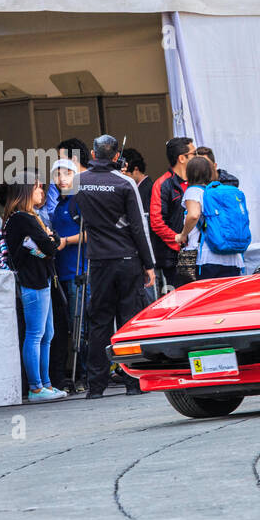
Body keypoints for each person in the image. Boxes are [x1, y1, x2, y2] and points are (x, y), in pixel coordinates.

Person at [77, 135, 155, 399]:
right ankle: (133, 382)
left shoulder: (81, 181)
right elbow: (138, 225)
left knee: (99, 321)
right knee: (128, 319)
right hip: (126, 259)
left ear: (92, 152)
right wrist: (149, 263)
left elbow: (78, 216)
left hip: (98, 261)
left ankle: (95, 386)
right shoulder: (125, 182)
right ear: (116, 157)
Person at [3, 175, 67, 402]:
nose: (42, 192)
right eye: (38, 188)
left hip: (41, 279)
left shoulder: (30, 217)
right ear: (26, 190)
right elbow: (50, 247)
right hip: (33, 281)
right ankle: (36, 387)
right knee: (35, 334)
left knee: (46, 334)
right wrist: (49, 239)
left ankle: (46, 383)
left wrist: (50, 238)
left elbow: (54, 240)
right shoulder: (22, 218)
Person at [177, 156, 250, 280]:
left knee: (204, 298)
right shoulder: (218, 191)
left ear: (188, 173)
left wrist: (182, 235)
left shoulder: (194, 190)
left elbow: (194, 215)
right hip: (232, 258)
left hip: (207, 257)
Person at [49, 160, 88, 388]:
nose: (62, 179)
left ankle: (84, 375)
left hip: (78, 271)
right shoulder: (58, 205)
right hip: (61, 273)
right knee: (68, 327)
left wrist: (65, 241)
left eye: (67, 173)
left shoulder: (79, 201)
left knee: (80, 326)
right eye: (57, 174)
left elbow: (91, 233)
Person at [149, 136, 195, 289]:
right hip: (173, 255)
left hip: (198, 252)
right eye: (193, 154)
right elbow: (156, 222)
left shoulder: (197, 180)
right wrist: (177, 238)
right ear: (182, 158)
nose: (197, 157)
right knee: (179, 298)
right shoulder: (162, 184)